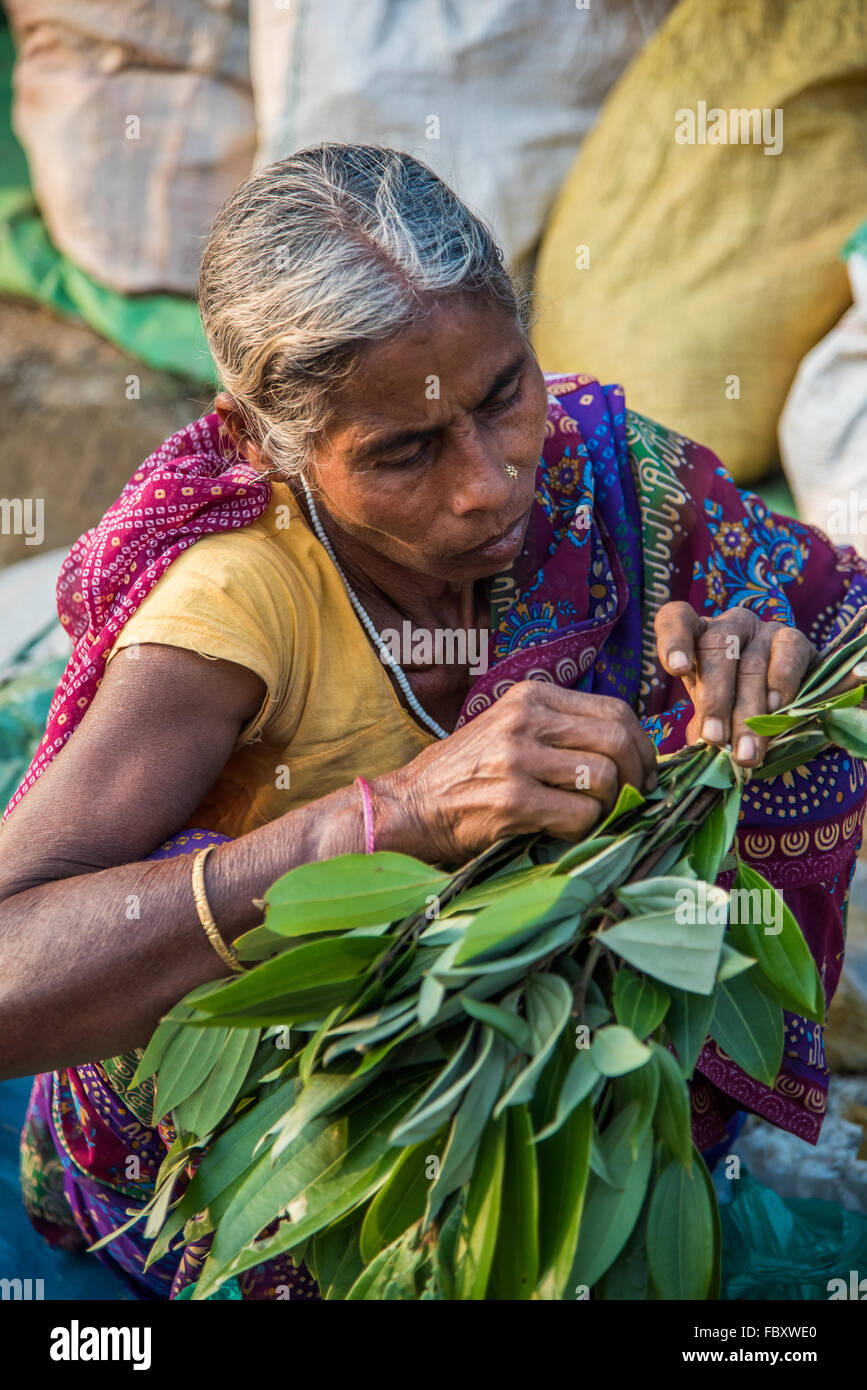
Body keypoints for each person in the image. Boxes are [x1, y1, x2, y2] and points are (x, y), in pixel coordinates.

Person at [1, 144, 866, 1299]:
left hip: (566, 1143)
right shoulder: (236, 606)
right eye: (405, 450)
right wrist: (388, 818)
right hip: (285, 1182)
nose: (490, 481)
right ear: (270, 446)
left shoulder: (607, 476)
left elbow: (839, 619)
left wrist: (761, 652)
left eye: (505, 393)